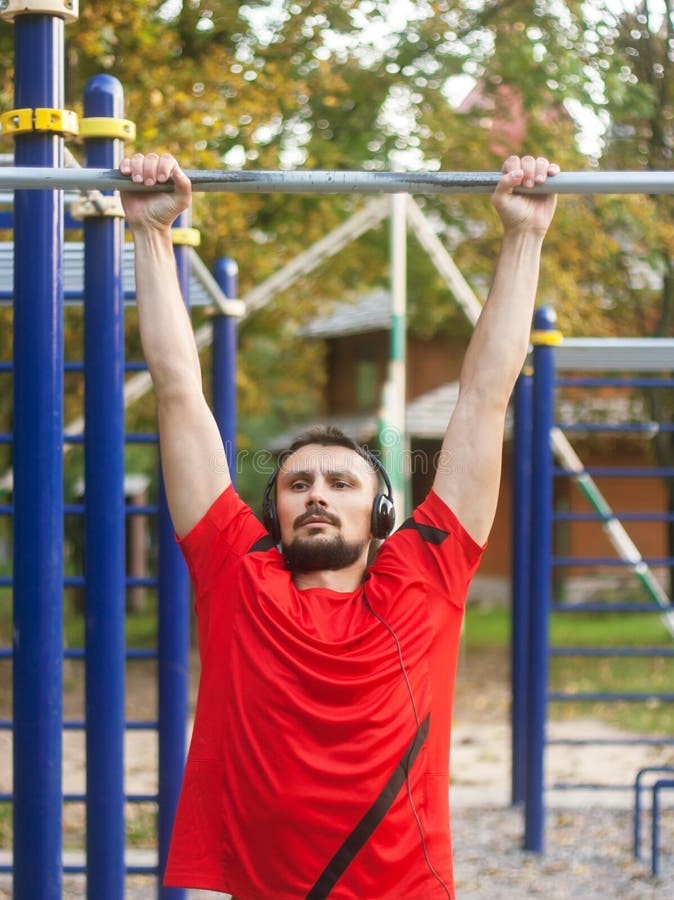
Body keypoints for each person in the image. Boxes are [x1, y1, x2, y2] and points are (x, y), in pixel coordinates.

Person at [120, 152, 559, 899]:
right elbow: (177, 391)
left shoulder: (423, 580)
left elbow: (486, 395)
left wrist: (524, 235)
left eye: (340, 481)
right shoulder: (237, 571)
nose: (317, 493)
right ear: (275, 512)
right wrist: (151, 234)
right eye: (298, 483)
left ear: (381, 512)